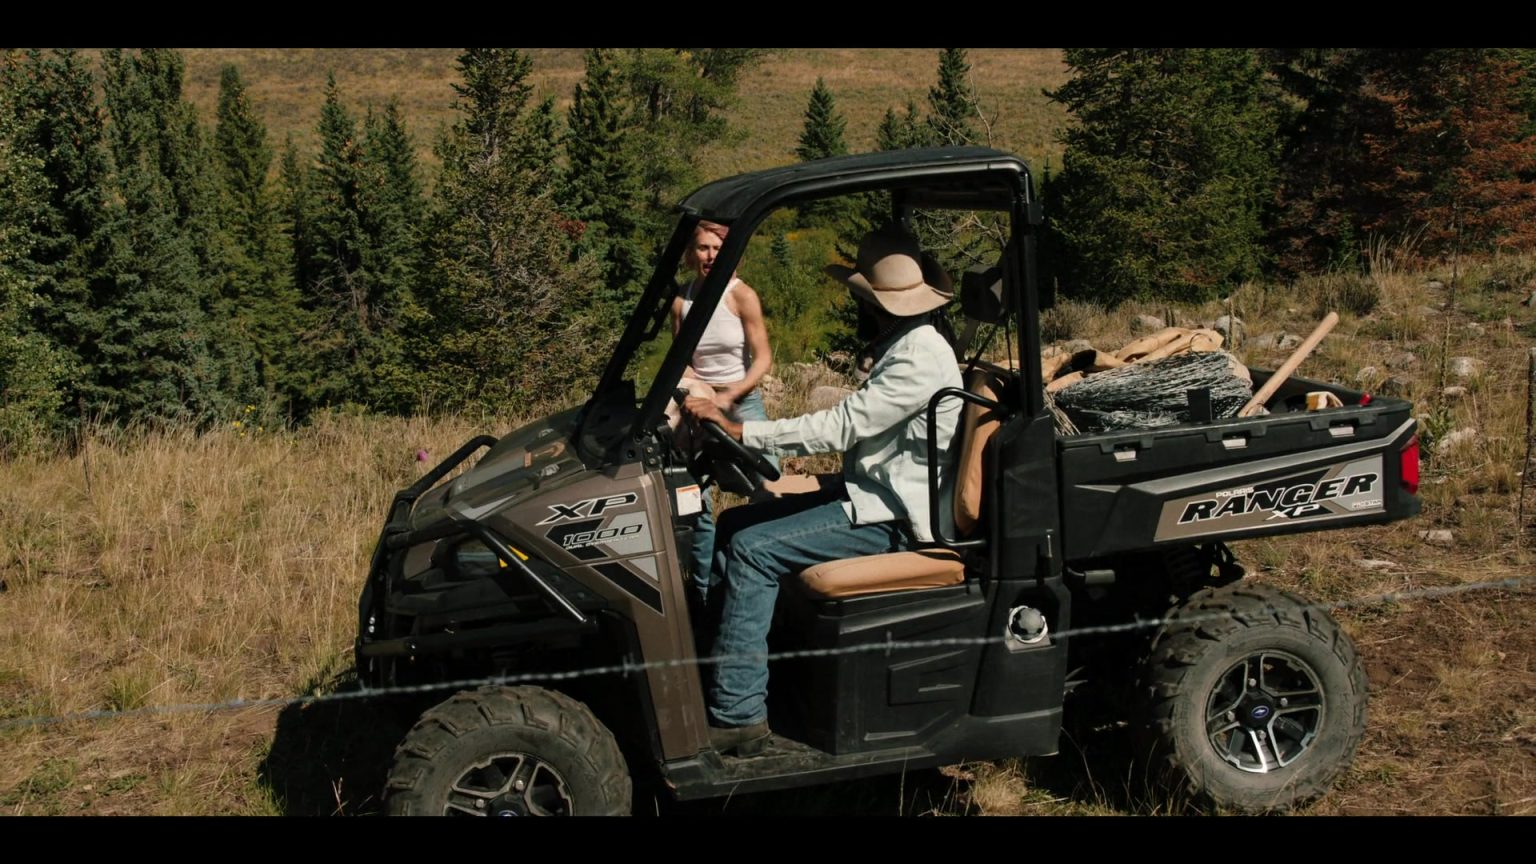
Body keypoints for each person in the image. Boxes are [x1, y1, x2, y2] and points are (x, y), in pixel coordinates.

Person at [682, 226, 963, 755]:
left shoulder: (919, 354)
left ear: (880, 305)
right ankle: (725, 664)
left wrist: (745, 430)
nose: (857, 307)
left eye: (862, 298)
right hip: (870, 491)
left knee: (750, 551)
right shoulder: (905, 344)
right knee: (734, 523)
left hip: (895, 516)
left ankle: (737, 713)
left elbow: (841, 426)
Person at [671, 220, 776, 608]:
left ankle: (765, 580)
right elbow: (680, 361)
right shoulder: (683, 301)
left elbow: (762, 357)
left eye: (717, 248)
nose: (710, 256)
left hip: (741, 401)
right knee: (693, 500)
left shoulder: (741, 295)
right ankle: (702, 594)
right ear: (691, 254)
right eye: (702, 248)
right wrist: (696, 392)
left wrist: (731, 393)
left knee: (767, 488)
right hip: (699, 404)